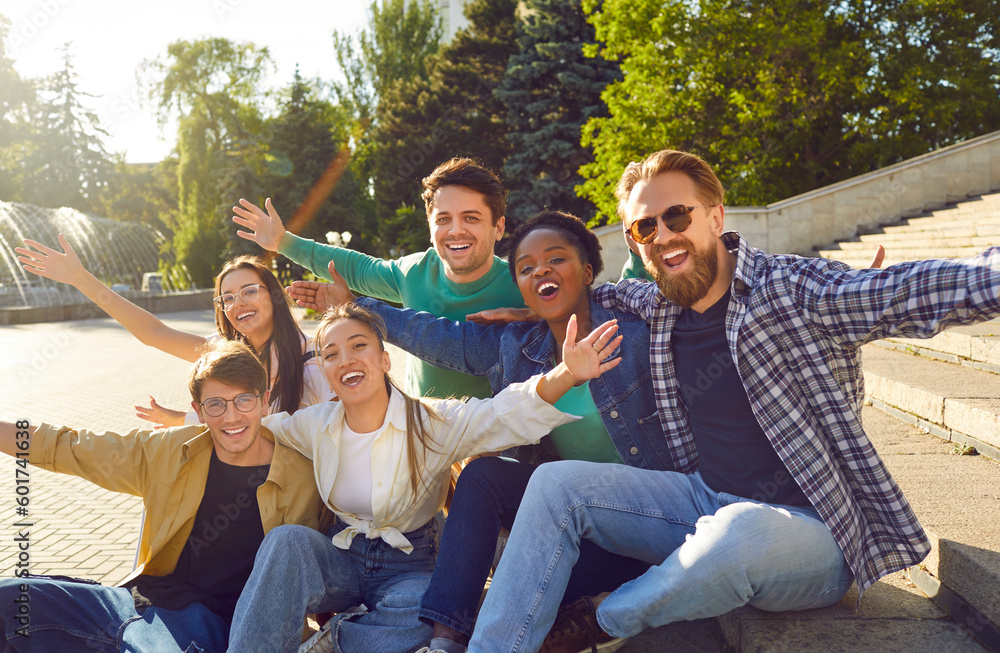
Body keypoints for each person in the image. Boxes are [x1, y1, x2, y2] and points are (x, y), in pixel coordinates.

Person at [466, 148, 999, 653]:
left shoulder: (792, 289)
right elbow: (581, 291)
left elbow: (914, 289)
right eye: (645, 227)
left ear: (717, 217)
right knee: (556, 484)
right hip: (704, 500)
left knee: (738, 530)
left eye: (678, 216)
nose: (664, 235)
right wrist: (533, 310)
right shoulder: (659, 305)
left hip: (810, 534)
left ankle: (602, 620)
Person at [316, 211, 671, 653]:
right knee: (482, 476)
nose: (540, 270)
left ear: (586, 271)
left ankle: (590, 612)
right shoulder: (515, 345)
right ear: (522, 286)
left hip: (650, 525)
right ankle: (444, 641)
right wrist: (358, 307)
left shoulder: (634, 329)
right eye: (525, 268)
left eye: (555, 259)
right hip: (578, 534)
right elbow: (437, 336)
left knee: (528, 578)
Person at [225, 302, 622, 653]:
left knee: (426, 619)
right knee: (286, 541)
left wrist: (567, 373)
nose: (345, 359)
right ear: (326, 372)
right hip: (343, 558)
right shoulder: (315, 424)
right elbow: (253, 426)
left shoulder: (431, 422)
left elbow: (503, 412)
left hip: (409, 567)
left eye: (359, 346)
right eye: (331, 354)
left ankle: (336, 640)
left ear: (384, 360)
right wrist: (187, 420)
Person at [0, 340, 327, 652]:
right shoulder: (169, 451)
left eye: (244, 399)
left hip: (215, 625)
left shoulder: (303, 476)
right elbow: (69, 447)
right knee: (10, 599)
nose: (231, 417)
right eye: (215, 404)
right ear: (198, 411)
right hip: (141, 601)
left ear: (264, 399)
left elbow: (334, 559)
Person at [232, 158, 524, 401]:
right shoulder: (414, 271)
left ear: (498, 227)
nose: (456, 230)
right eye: (443, 219)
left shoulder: (522, 286)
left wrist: (536, 312)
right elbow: (358, 267)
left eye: (471, 218)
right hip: (426, 427)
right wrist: (283, 241)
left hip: (492, 436)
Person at [14, 241, 334, 424]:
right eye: (228, 298)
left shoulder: (312, 362)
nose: (239, 304)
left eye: (250, 291)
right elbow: (152, 332)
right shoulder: (222, 353)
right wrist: (80, 278)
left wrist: (183, 419)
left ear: (272, 294)